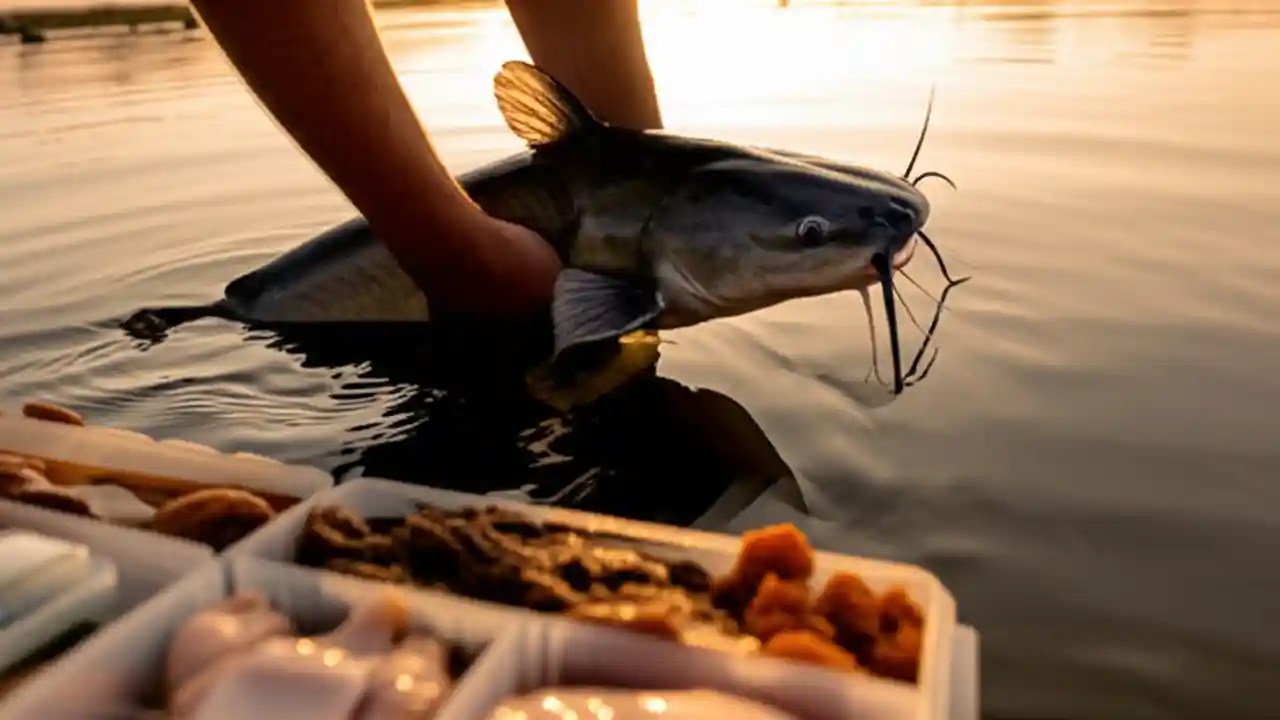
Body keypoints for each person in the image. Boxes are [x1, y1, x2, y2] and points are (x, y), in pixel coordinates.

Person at [189, 0, 912, 327]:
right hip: (268, 317)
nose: (819, 239)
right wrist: (444, 247)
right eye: (811, 233)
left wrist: (630, 148)